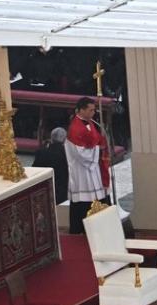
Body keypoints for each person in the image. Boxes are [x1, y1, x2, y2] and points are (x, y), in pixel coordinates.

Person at [66, 97, 110, 235]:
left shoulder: (90, 122)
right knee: (84, 201)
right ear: (81, 110)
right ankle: (81, 229)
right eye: (91, 110)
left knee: (99, 195)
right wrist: (99, 150)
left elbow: (96, 140)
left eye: (94, 109)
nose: (93, 112)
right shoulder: (75, 129)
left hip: (93, 168)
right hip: (82, 171)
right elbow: (80, 153)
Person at [33, 127, 69, 205]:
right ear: (65, 140)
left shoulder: (41, 153)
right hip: (62, 196)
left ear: (51, 139)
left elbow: (34, 172)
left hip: (44, 193)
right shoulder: (68, 156)